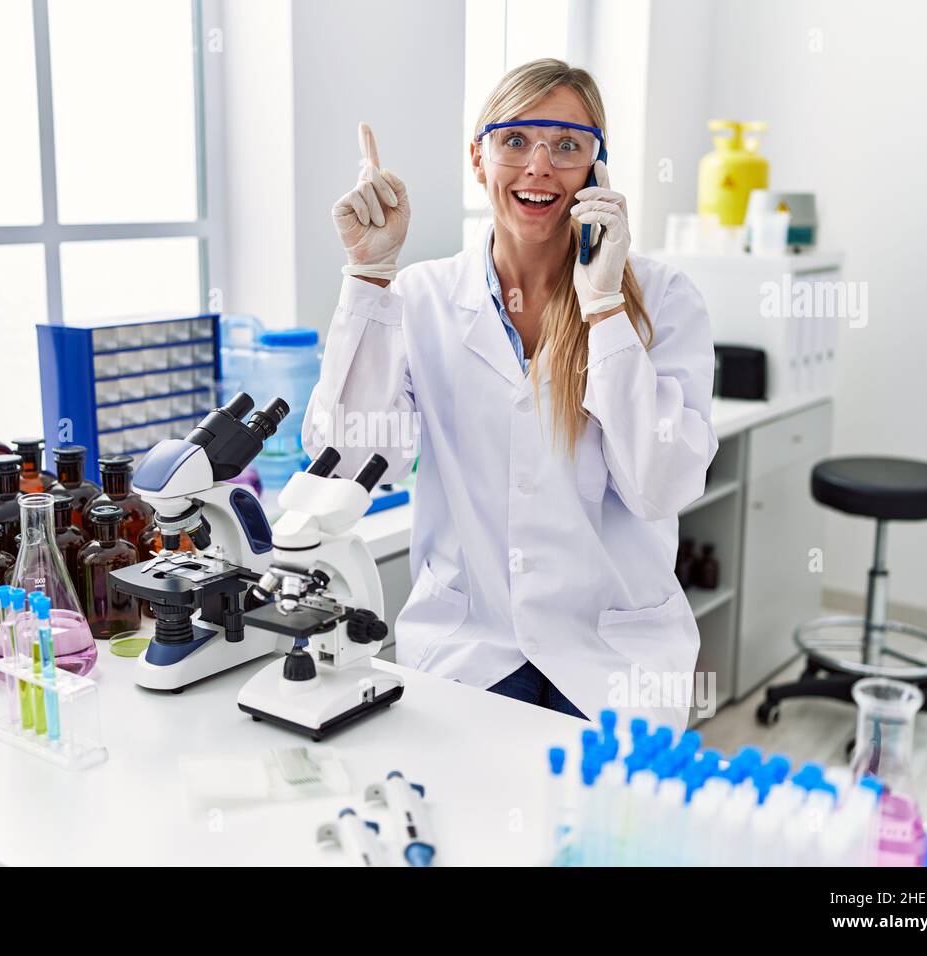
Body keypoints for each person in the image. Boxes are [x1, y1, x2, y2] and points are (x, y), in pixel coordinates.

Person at [305, 59, 717, 730]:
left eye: (567, 145)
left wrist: (606, 308)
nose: (540, 166)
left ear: (597, 169)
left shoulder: (662, 300)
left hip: (613, 656)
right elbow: (345, 465)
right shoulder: (422, 298)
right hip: (472, 647)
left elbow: (660, 487)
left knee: (593, 831)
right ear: (478, 158)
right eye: (516, 140)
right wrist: (369, 276)